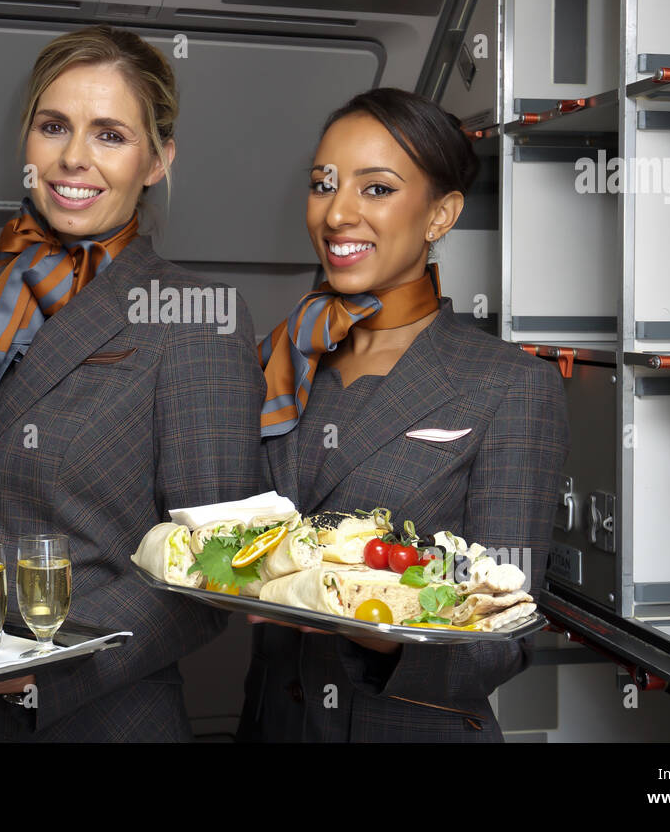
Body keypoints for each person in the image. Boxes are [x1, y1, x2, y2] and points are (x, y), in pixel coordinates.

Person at [0, 24, 264, 741]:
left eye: (110, 135)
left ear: (157, 160)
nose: (73, 158)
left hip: (88, 716)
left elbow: (218, 568)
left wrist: (40, 666)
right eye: (53, 126)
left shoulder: (196, 320)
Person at [238, 87, 569, 742]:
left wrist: (376, 625)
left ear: (440, 214)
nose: (338, 213)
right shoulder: (279, 361)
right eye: (323, 184)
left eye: (377, 189)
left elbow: (504, 636)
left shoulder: (508, 387)